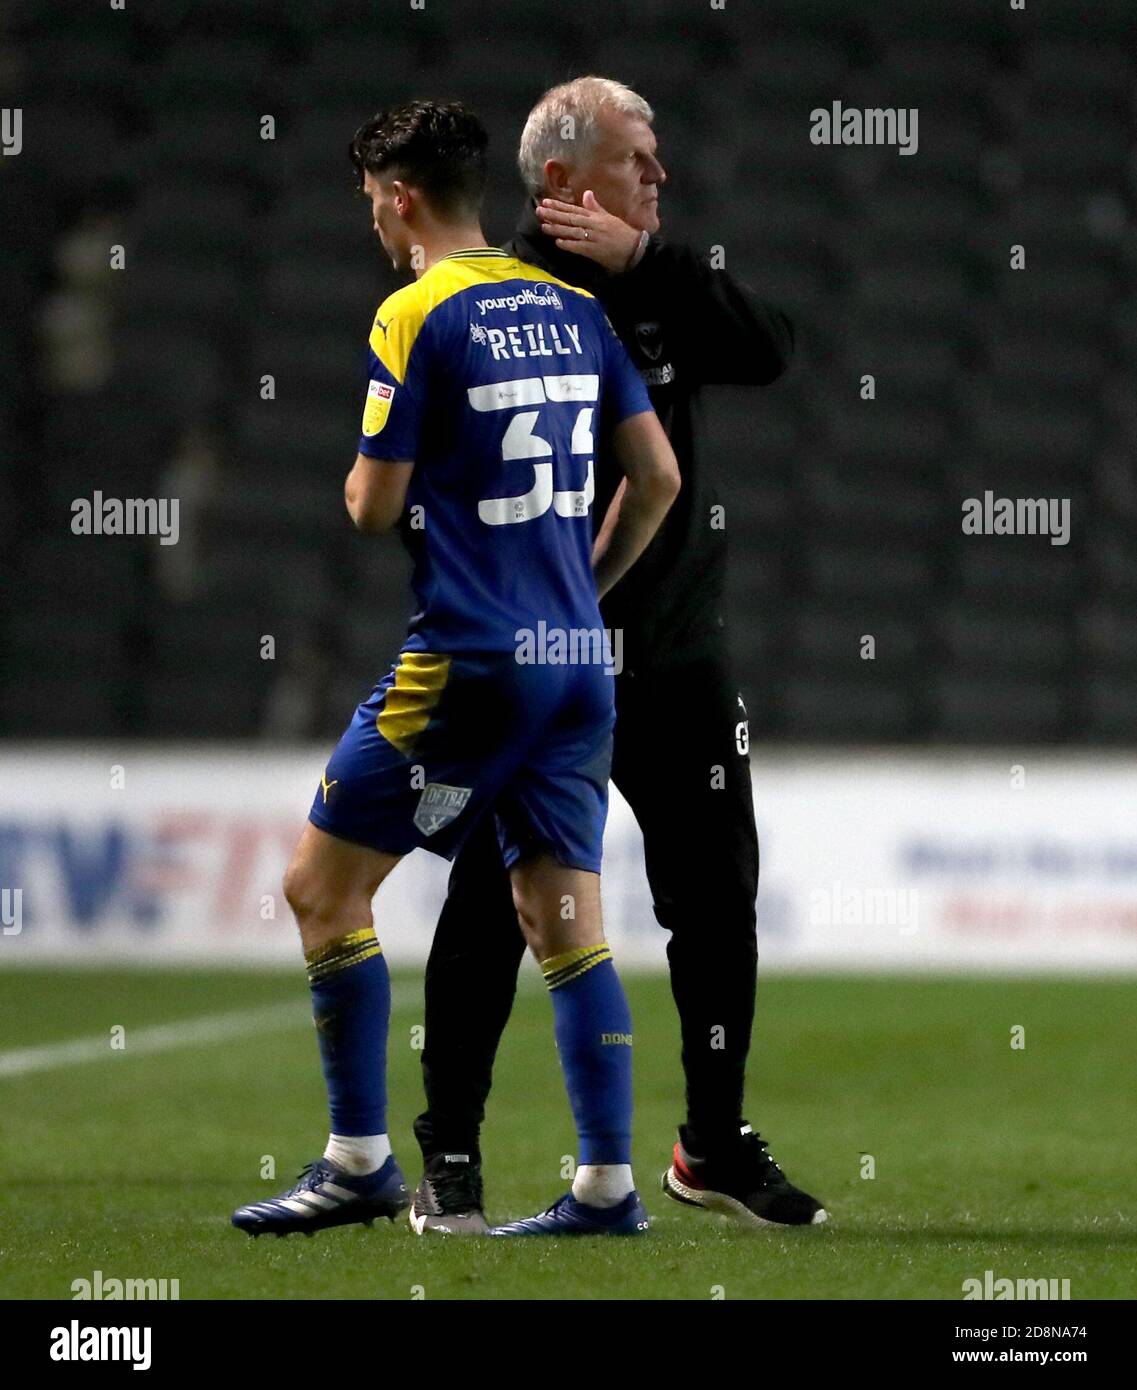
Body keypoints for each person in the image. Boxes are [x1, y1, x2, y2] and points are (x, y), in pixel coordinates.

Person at [230, 99, 679, 1239]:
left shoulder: (413, 311)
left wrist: (380, 476)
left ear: (398, 197)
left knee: (320, 891)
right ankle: (606, 1187)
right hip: (576, 660)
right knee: (564, 918)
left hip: (469, 660)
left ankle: (360, 1159)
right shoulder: (579, 309)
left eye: (371, 204)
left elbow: (373, 507)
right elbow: (660, 477)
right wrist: (580, 587)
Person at [411, 78, 826, 1233]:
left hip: (679, 654)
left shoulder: (662, 282)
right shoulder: (491, 297)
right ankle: (451, 1146)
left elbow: (775, 348)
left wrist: (654, 259)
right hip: (542, 657)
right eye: (639, 155)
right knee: (497, 904)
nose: (660, 174)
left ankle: (713, 1142)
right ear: (560, 178)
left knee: (719, 900)